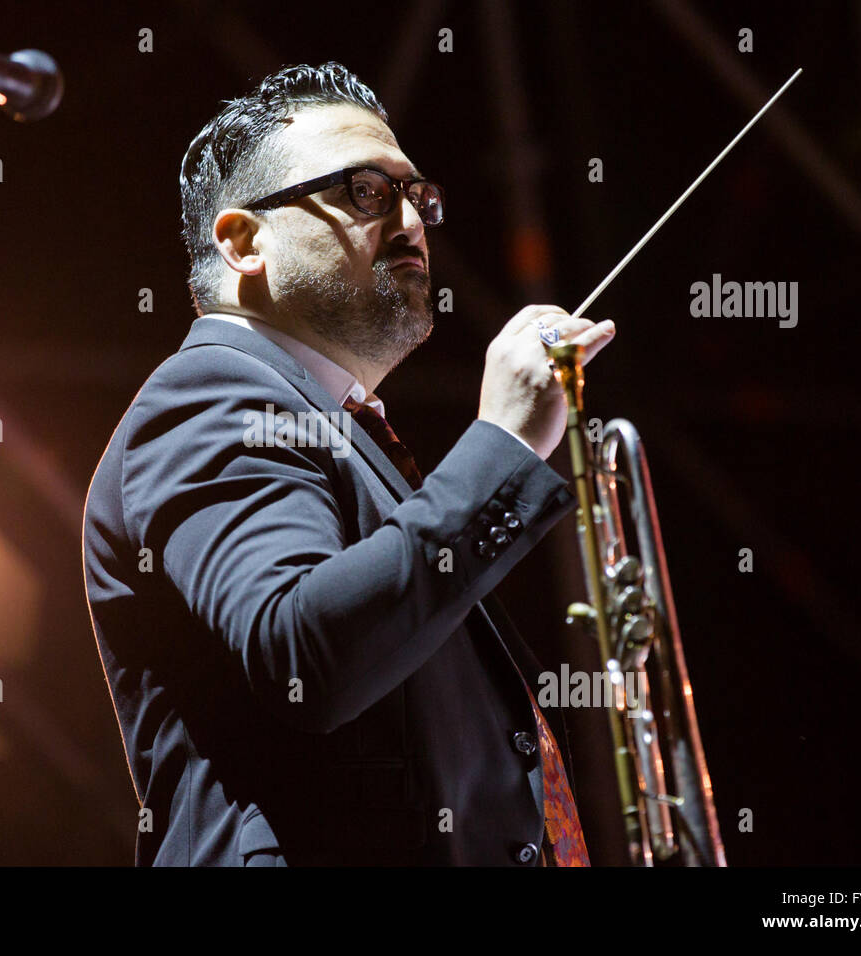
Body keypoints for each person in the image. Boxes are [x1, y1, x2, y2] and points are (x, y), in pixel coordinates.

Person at [82, 61, 615, 865]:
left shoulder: (340, 431)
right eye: (365, 192)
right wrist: (501, 445)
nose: (409, 222)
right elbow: (305, 651)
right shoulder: (213, 390)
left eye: (418, 198)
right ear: (245, 241)